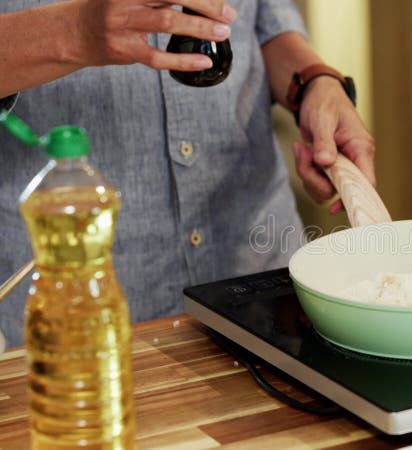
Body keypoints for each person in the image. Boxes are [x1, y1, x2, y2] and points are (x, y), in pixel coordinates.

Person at [0, 0, 376, 347]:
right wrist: (77, 29)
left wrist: (313, 83)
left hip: (262, 279)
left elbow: (265, 16)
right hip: (72, 307)